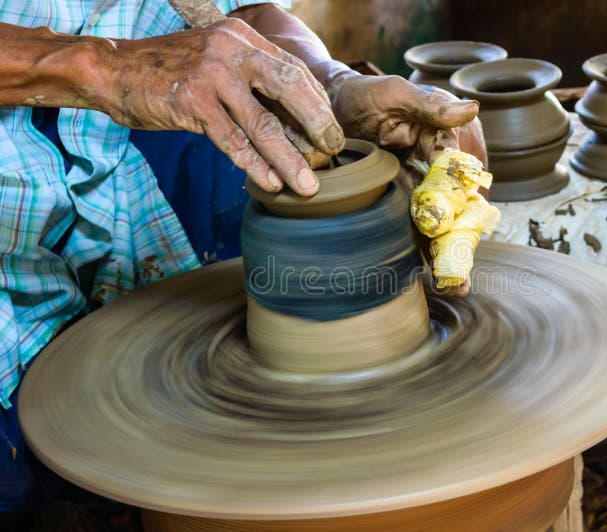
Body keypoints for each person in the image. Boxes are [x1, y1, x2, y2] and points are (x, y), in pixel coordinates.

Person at [0, 0, 486, 511]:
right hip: (19, 190)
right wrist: (106, 66)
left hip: (137, 134)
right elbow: (123, 68)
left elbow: (242, 14)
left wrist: (327, 87)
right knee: (21, 477)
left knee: (300, 201)